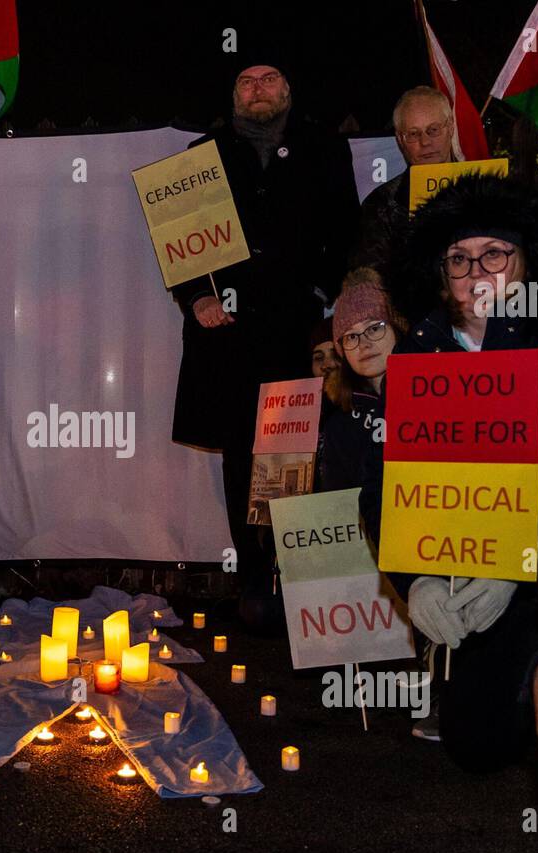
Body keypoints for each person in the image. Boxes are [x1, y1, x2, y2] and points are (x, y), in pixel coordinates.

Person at [360, 173, 538, 757]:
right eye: (459, 259)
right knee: (475, 745)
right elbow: (386, 485)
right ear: (441, 273)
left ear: (524, 262)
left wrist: (524, 550)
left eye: (494, 253)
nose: (477, 272)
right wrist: (415, 580)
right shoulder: (418, 354)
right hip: (473, 571)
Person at [169, 55, 360, 602]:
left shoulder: (324, 147)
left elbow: (346, 230)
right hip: (226, 334)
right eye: (246, 81)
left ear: (288, 89)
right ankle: (253, 581)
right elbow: (179, 241)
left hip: (296, 332)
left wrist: (322, 294)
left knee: (293, 452)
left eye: (269, 78)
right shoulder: (200, 156)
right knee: (240, 454)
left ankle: (294, 581)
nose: (258, 88)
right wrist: (196, 297)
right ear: (233, 96)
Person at [353, 86, 461, 271]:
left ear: (450, 128)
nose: (425, 142)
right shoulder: (381, 204)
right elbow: (370, 273)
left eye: (433, 130)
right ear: (400, 140)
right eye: (413, 134)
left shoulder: (486, 188)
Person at [317, 269, 405, 493]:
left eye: (374, 328)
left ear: (397, 328)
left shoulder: (435, 401)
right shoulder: (339, 428)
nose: (364, 344)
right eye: (351, 336)